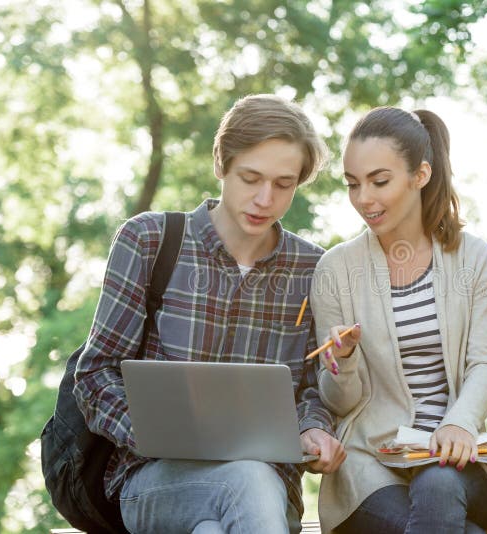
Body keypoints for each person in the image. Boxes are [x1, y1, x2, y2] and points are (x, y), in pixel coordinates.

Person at [73, 94, 346, 534]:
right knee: (246, 480)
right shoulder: (149, 240)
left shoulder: (313, 269)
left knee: (214, 524)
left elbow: (314, 389)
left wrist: (312, 429)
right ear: (221, 163)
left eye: (283, 184)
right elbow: (94, 376)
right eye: (250, 178)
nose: (264, 199)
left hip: (269, 494)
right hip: (157, 481)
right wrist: (155, 432)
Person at [309, 106, 487, 533]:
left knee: (438, 484)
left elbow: (486, 364)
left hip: (456, 455)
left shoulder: (473, 257)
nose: (364, 198)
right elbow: (339, 403)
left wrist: (459, 422)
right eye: (353, 184)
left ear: (421, 175)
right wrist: (344, 362)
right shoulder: (335, 269)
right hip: (370, 464)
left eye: (379, 181)